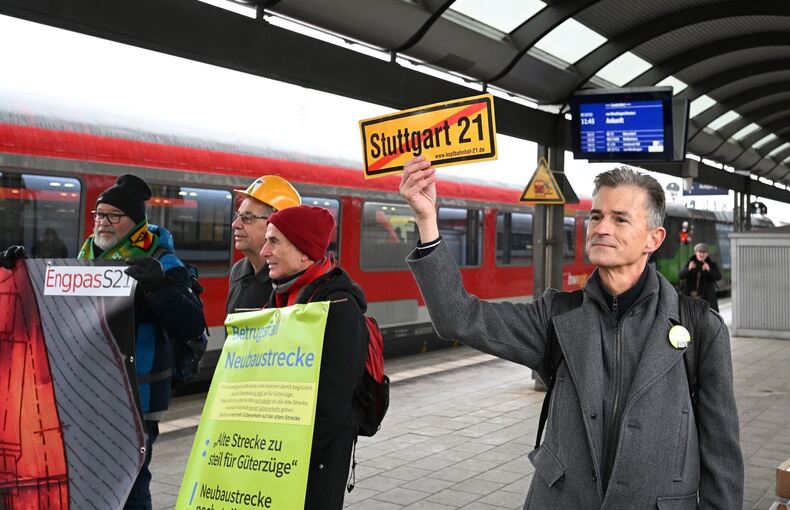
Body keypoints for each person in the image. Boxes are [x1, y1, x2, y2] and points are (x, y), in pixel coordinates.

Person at [399, 157, 743, 509]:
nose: (601, 227)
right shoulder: (557, 316)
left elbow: (722, 457)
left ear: (653, 239)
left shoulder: (700, 328)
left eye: (619, 219)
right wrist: (427, 221)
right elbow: (458, 317)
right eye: (596, 216)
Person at [261, 205, 367, 510]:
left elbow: (331, 404)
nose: (265, 250)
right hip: (274, 453)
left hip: (314, 461)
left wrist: (288, 456)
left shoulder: (340, 307)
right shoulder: (279, 297)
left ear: (305, 252)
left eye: (275, 242)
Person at [226, 175, 301, 314]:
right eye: (238, 215)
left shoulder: (291, 279)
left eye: (247, 218)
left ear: (277, 224)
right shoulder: (238, 271)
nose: (235, 224)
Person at [679, 242, 722, 311]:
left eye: (704, 252)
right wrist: (688, 269)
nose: (702, 254)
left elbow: (718, 277)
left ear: (707, 254)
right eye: (700, 252)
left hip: (707, 299)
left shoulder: (711, 264)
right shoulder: (691, 263)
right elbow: (681, 276)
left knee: (705, 319)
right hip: (690, 299)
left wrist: (709, 269)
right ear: (696, 253)